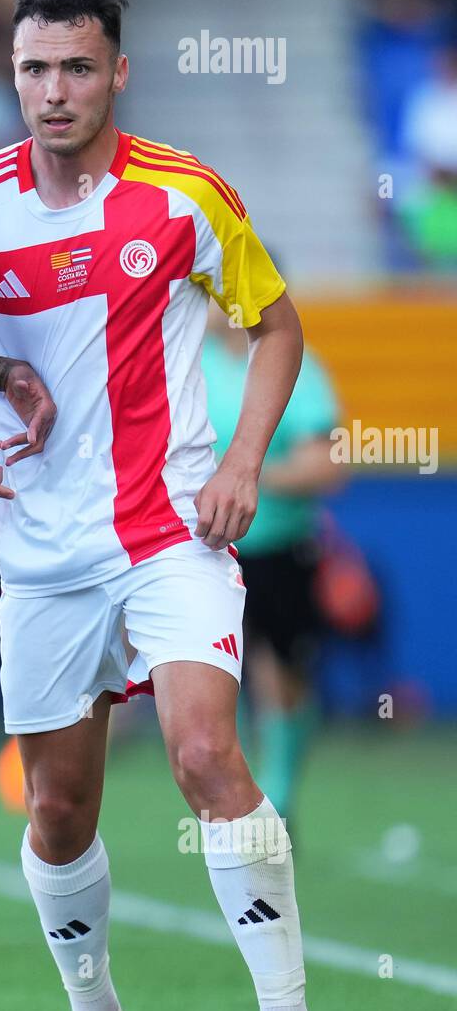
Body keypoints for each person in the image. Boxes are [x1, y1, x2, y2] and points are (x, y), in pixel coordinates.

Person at [0, 0, 341, 1011]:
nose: (54, 91)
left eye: (76, 67)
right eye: (34, 69)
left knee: (203, 755)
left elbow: (276, 325)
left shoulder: (185, 196)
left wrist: (243, 461)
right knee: (56, 811)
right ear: (12, 74)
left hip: (167, 529)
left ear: (117, 74)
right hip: (38, 551)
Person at [203, 299, 344, 822]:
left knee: (283, 675)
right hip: (209, 551)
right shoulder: (191, 364)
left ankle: (279, 791)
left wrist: (242, 475)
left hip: (280, 548)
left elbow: (326, 466)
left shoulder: (299, 369)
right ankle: (247, 801)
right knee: (221, 675)